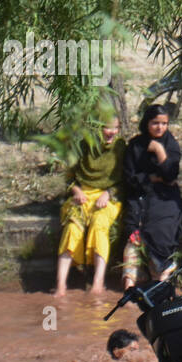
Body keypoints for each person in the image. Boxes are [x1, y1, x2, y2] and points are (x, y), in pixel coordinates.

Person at [54, 106, 127, 297]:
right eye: (106, 127)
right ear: (96, 128)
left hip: (108, 198)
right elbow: (69, 179)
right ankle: (61, 285)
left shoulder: (120, 148)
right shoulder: (83, 146)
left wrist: (108, 194)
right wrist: (77, 190)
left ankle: (98, 282)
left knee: (99, 225)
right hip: (82, 197)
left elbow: (125, 181)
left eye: (115, 128)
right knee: (72, 228)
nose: (111, 132)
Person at [121, 104, 182, 288]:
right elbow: (129, 178)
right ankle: (130, 285)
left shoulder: (170, 144)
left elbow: (170, 175)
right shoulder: (135, 145)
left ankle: (163, 273)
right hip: (140, 194)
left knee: (164, 226)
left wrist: (159, 151)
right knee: (135, 228)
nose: (160, 128)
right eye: (155, 123)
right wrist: (150, 177)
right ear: (146, 123)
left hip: (165, 196)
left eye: (164, 123)